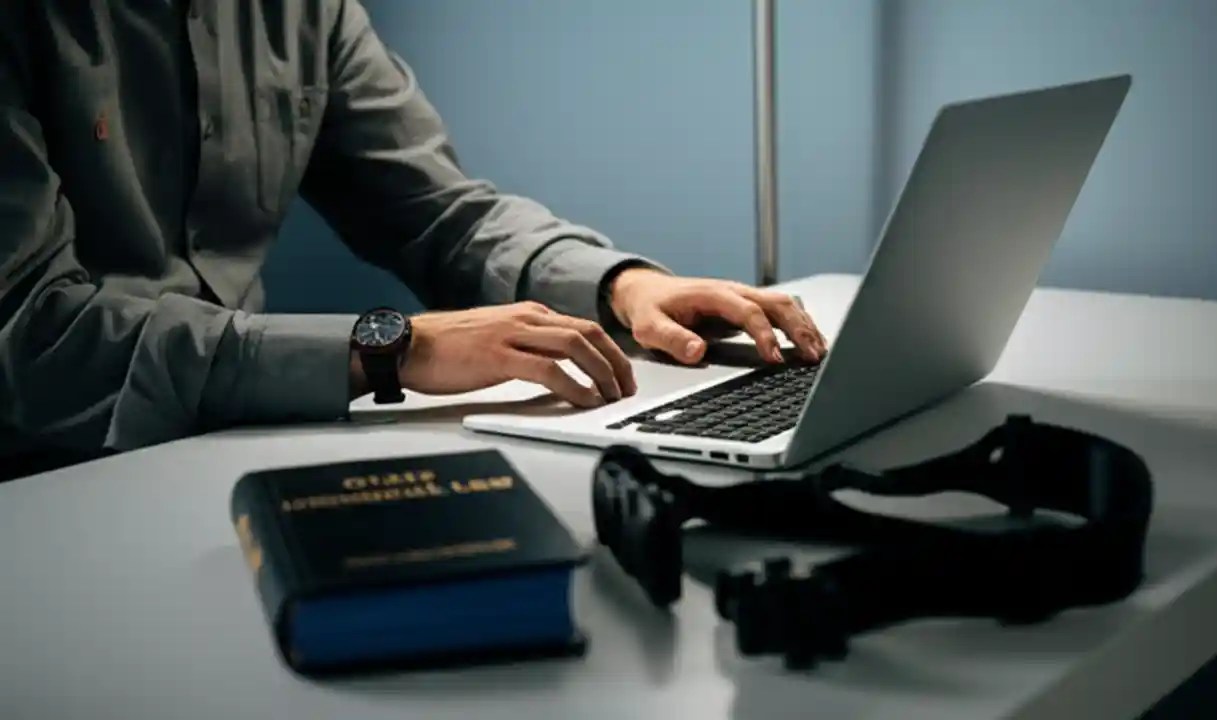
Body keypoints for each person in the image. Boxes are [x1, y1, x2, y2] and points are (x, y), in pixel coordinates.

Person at [0, 0, 826, 479]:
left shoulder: (306, 12)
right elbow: (33, 333)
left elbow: (438, 213)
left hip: (229, 452)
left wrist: (623, 286)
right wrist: (390, 349)